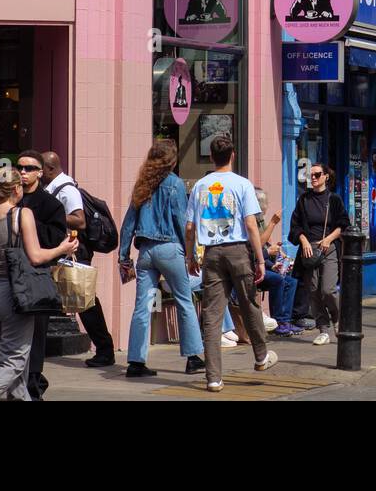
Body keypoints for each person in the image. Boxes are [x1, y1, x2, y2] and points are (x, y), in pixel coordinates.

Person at [0, 164, 79, 401]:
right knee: (14, 359)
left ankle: (20, 397)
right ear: (16, 189)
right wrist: (62, 248)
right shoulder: (22, 214)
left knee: (9, 354)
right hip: (15, 293)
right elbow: (36, 256)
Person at [185, 134, 277, 392]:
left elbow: (190, 227)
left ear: (211, 157)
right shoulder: (242, 184)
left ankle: (213, 378)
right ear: (232, 155)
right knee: (249, 303)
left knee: (212, 317)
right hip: (237, 250)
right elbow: (250, 224)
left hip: (211, 253)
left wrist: (190, 256)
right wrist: (260, 259)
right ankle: (260, 356)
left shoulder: (200, 186)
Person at [116, 139, 204, 377]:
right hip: (169, 248)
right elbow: (182, 223)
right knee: (184, 300)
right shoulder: (175, 185)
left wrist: (124, 256)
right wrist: (192, 254)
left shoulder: (142, 185)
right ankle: (193, 358)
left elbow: (128, 225)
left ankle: (136, 361)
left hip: (145, 252)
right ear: (172, 160)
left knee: (142, 307)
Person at [39, 151, 115, 368]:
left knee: (84, 300)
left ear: (50, 169)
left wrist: (52, 217)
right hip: (61, 250)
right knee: (72, 299)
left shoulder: (68, 190)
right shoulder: (52, 189)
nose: (37, 173)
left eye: (40, 169)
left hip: (74, 250)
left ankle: (104, 349)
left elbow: (80, 221)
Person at [14, 150, 69, 399]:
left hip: (37, 275)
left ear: (39, 172)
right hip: (10, 274)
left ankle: (34, 383)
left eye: (28, 168)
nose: (23, 173)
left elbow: (55, 239)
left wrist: (27, 223)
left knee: (36, 334)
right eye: (20, 168)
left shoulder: (50, 205)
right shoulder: (8, 201)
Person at [289, 161, 348, 346]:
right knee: (313, 291)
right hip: (309, 250)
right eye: (310, 175)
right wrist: (304, 240)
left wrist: (329, 239)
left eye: (317, 175)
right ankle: (323, 329)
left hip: (328, 248)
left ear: (326, 177)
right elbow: (295, 225)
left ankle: (338, 319)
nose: (313, 178)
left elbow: (343, 224)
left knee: (328, 290)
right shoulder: (304, 199)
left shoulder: (334, 199)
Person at [253, 187, 292, 335]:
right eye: (265, 204)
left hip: (263, 264)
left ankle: (285, 320)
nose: (267, 206)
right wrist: (273, 223)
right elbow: (257, 249)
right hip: (251, 267)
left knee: (291, 280)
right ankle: (278, 319)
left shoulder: (260, 221)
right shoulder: (253, 222)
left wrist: (275, 259)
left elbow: (266, 247)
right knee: (277, 280)